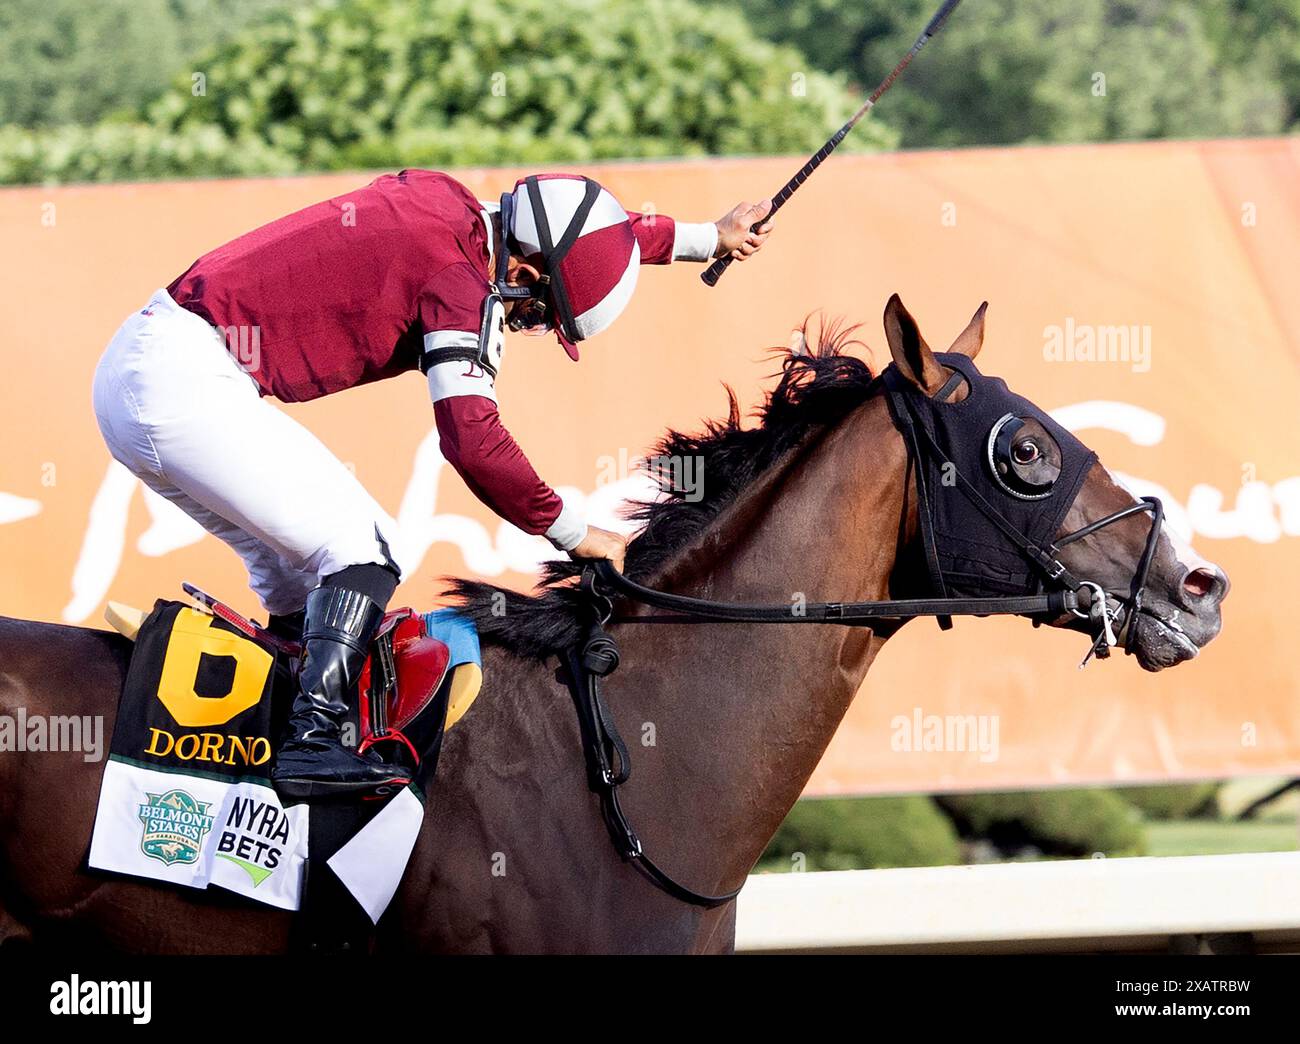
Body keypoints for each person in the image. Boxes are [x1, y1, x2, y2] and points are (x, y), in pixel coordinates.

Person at [92, 169, 773, 798]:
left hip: (146, 363)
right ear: (521, 269)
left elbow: (589, 230)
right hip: (181, 386)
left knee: (303, 588)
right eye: (536, 312)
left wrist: (706, 238)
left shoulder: (450, 202)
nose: (522, 321)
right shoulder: (458, 283)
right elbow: (472, 442)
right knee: (368, 548)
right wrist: (572, 530)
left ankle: (261, 742)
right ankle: (309, 747)